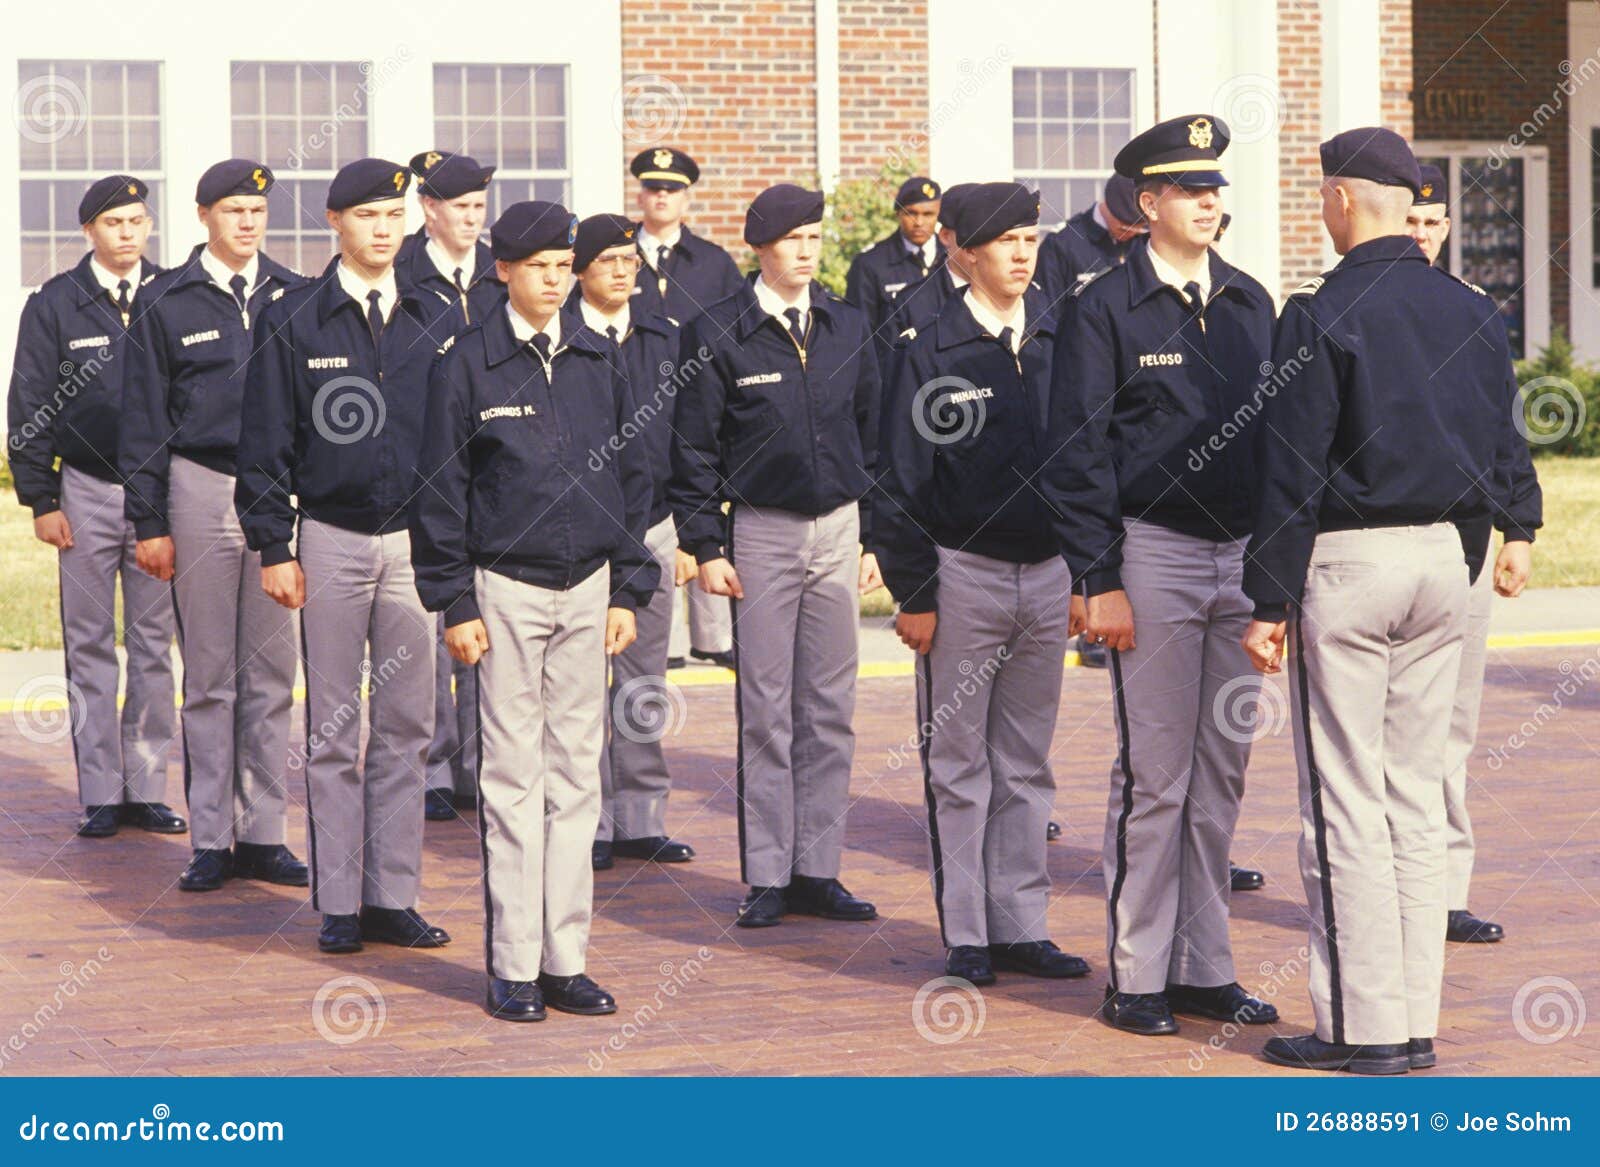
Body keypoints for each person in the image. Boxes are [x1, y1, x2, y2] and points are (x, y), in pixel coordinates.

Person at [1244, 128, 1539, 1075]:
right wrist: (1506, 532)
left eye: (1322, 197)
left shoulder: (1321, 310)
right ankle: (1413, 1022)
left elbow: (1291, 466)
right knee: (1414, 794)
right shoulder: (1471, 309)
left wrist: (1267, 596)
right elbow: (1500, 438)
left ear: (1342, 199)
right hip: (1446, 559)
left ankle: (1360, 1027)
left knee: (1343, 801)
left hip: (1352, 561)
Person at [1040, 114, 1279, 1038]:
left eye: (1216, 188)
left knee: (1220, 776)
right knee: (1155, 777)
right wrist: (1098, 576)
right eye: (1191, 189)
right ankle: (1137, 975)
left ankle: (1204, 967)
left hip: (1240, 558)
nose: (1211, 202)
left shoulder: (1252, 303)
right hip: (1153, 556)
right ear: (1149, 202)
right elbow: (1076, 450)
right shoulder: (1104, 307)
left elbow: (1281, 447)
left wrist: (1274, 577)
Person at [411, 199, 658, 1021]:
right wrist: (453, 599)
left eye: (563, 266)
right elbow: (439, 490)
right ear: (503, 271)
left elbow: (634, 477)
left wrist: (628, 586)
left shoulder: (598, 356)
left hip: (589, 587)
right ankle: (514, 964)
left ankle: (566, 959)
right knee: (514, 777)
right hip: (505, 588)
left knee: (578, 778)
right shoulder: (466, 364)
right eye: (538, 267)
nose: (554, 280)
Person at [876, 181, 1089, 987]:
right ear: (966, 254)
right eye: (1006, 241)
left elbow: (1087, 461)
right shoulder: (928, 347)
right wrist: (916, 591)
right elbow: (898, 476)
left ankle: (1021, 924)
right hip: (961, 572)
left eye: (1031, 239)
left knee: (1027, 763)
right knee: (959, 764)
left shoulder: (1062, 334)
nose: (1023, 254)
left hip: (1049, 572)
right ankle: (968, 932)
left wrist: (1087, 570)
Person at [235, 158, 448, 955]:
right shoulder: (294, 316)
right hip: (328, 537)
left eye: (394, 216)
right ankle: (340, 902)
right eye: (367, 216)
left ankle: (392, 895)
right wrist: (274, 544)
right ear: (335, 221)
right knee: (333, 728)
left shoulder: (436, 314)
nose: (383, 230)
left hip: (416, 544)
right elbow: (264, 439)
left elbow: (458, 441)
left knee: (407, 727)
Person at [669, 183, 881, 929]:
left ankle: (818, 869)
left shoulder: (848, 325)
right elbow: (693, 445)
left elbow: (874, 434)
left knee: (831, 707)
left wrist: (876, 537)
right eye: (793, 239)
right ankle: (767, 874)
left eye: (814, 238)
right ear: (760, 247)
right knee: (766, 708)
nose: (806, 251)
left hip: (840, 528)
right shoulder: (718, 332)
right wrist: (705, 543)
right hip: (761, 531)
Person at [120, 159, 307, 893]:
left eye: (257, 210)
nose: (248, 222)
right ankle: (210, 839)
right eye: (233, 210)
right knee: (208, 675)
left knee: (272, 671)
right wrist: (150, 519)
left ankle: (263, 833)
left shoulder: (296, 294)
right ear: (203, 216)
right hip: (202, 485)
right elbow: (142, 419)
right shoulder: (165, 300)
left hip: (279, 494)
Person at [7, 175, 179, 839]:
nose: (127, 233)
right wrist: (40, 497)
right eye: (113, 223)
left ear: (148, 225)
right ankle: (102, 793)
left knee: (154, 644)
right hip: (85, 489)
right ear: (89, 231)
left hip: (158, 493)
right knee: (89, 644)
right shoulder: (57, 302)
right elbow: (29, 400)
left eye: (136, 220)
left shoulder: (173, 294)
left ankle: (148, 787)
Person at [1406, 162, 1515, 945]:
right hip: (1377, 546)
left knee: (1453, 725)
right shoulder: (1333, 305)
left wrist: (1523, 528)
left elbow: (1504, 424)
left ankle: (1445, 892)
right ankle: (1376, 888)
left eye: (1432, 224)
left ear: (1447, 229)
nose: (1421, 236)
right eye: (1409, 222)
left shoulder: (1476, 310)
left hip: (1466, 541)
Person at [568, 213, 695, 872]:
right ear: (579, 270)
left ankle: (641, 817)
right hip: (583, 535)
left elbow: (689, 438)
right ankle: (587, 819)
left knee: (644, 679)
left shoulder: (665, 336)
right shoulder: (561, 335)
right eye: (609, 261)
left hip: (653, 527)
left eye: (630, 261)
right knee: (581, 685)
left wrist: (694, 532)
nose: (622, 272)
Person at [397, 149, 504, 824]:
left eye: (479, 207)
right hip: (422, 469)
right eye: (460, 207)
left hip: (491, 474)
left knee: (483, 622)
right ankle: (435, 764)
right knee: (433, 622)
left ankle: (482, 763)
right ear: (429, 208)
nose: (473, 219)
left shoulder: (499, 272)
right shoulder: (403, 274)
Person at [629, 146, 742, 669]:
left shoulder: (713, 263)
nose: (661, 197)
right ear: (640, 194)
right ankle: (664, 642)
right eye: (653, 188)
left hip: (701, 400)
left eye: (671, 190)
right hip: (638, 402)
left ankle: (713, 635)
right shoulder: (621, 256)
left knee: (702, 502)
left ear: (686, 197)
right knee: (651, 512)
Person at [844, 175, 944, 348]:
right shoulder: (870, 264)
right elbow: (860, 334)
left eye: (928, 214)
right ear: (898, 213)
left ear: (939, 215)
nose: (919, 222)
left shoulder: (952, 258)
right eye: (911, 213)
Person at [1035, 172, 1145, 305]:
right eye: (1123, 229)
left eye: (1139, 229)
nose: (1132, 234)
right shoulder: (1062, 244)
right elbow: (1047, 309)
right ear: (1108, 206)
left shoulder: (1146, 242)